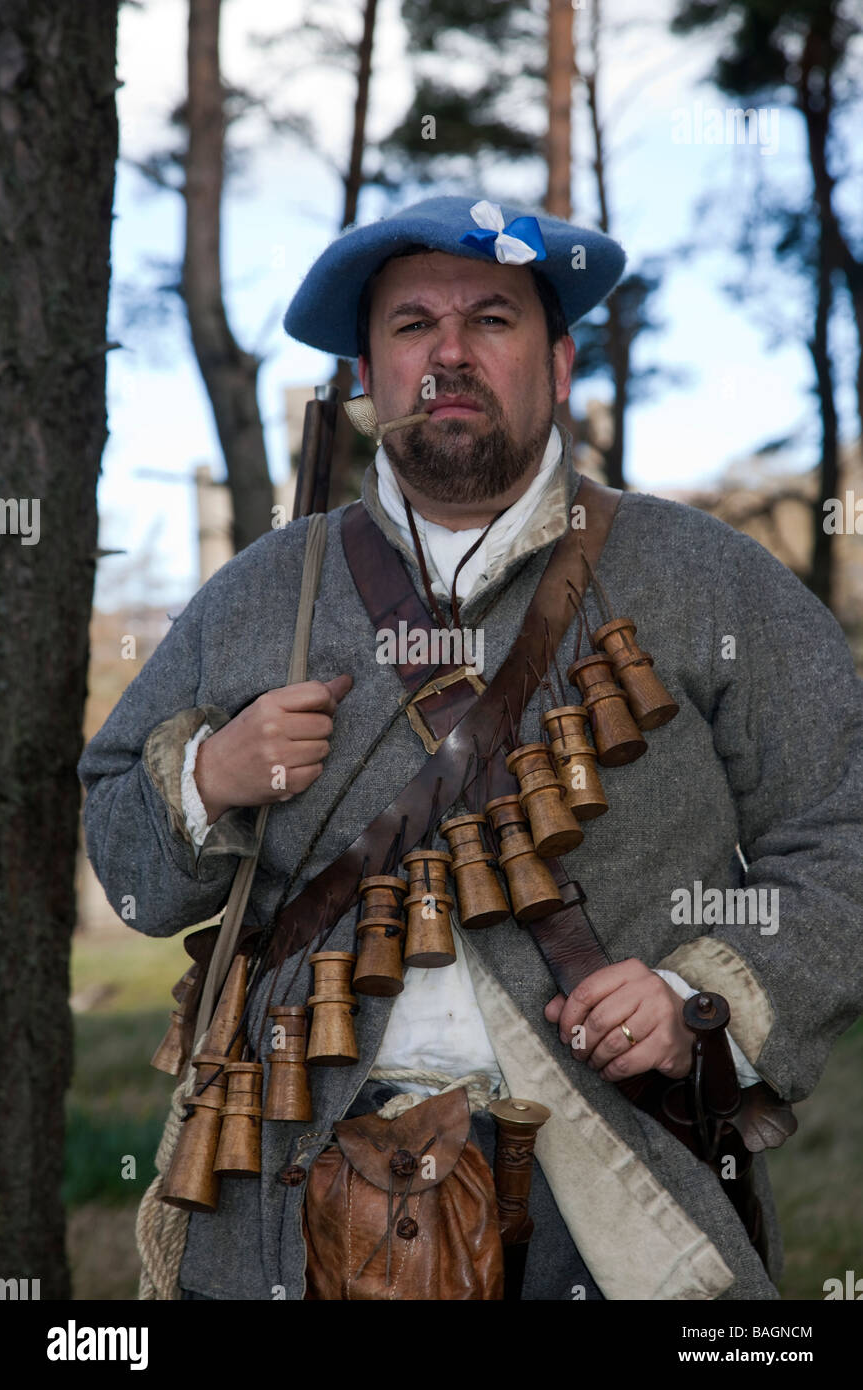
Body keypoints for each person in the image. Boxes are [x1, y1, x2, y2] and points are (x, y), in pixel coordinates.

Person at [78, 195, 863, 1302]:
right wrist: (209, 780)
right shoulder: (258, 594)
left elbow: (841, 831)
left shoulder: (707, 578)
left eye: (490, 319)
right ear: (366, 376)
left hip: (607, 1182)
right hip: (289, 1174)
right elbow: (122, 852)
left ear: (558, 360)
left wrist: (704, 1001)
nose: (447, 353)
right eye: (410, 327)